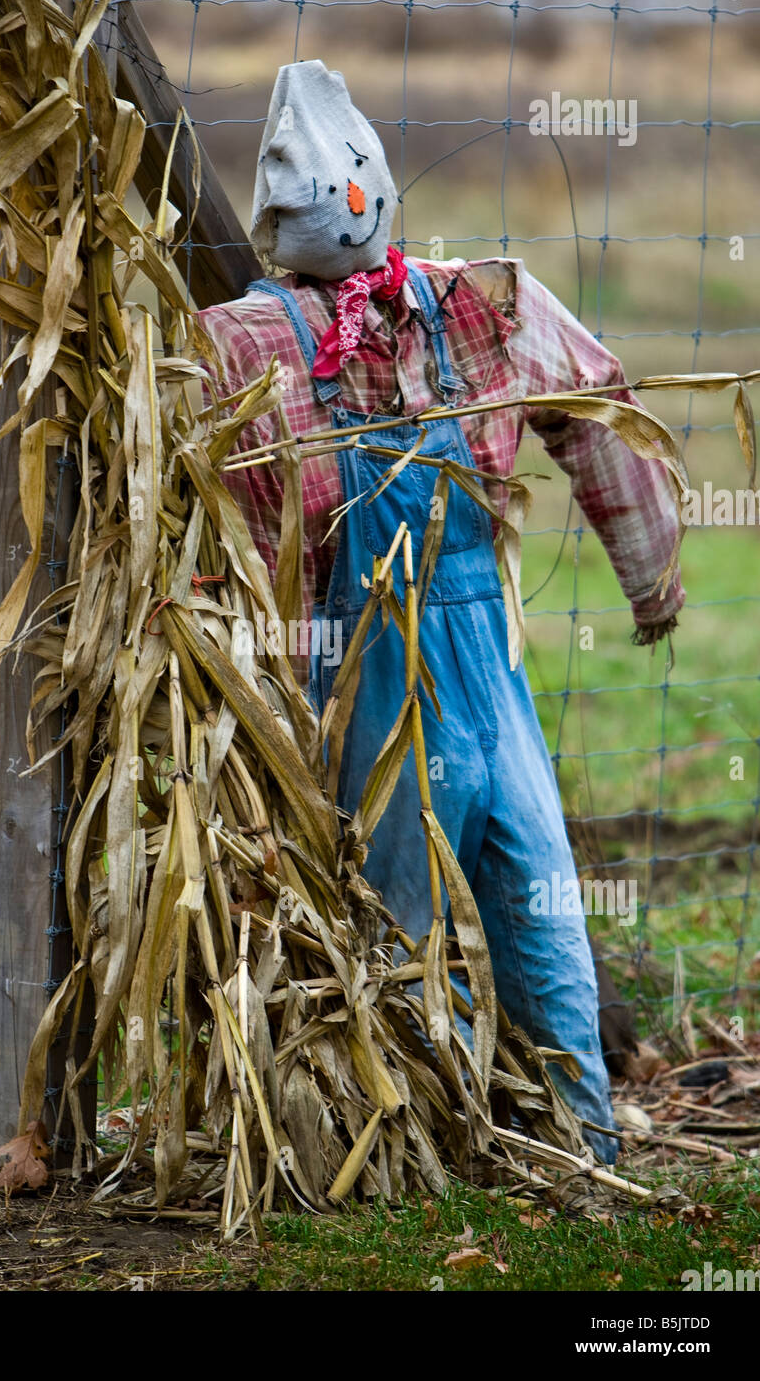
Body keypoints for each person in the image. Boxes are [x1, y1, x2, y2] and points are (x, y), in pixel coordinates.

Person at [197, 60, 685, 1164]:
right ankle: (541, 1130)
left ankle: (479, 1131)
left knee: (437, 908)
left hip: (378, 663)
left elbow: (192, 527)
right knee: (511, 890)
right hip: (407, 672)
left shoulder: (247, 340)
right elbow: (602, 411)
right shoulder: (479, 299)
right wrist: (649, 579)